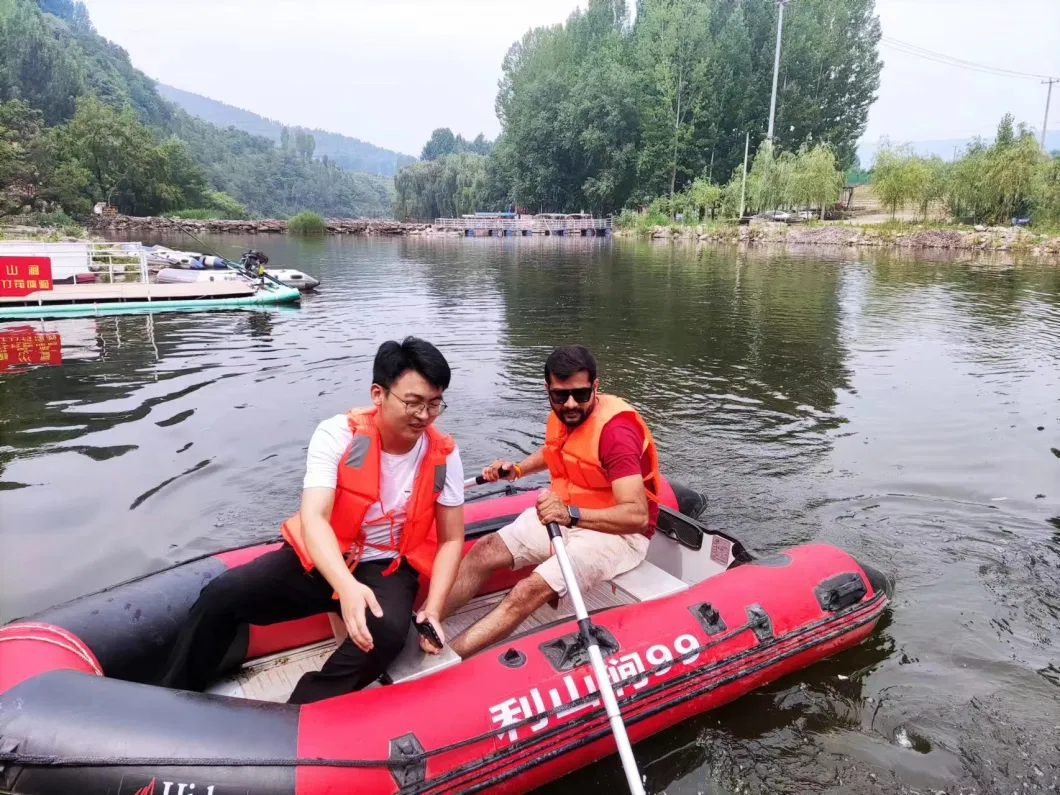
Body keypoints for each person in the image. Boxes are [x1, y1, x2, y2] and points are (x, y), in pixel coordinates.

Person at [159, 337, 465, 703]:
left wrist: (432, 609)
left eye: (435, 404)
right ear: (378, 394)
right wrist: (346, 587)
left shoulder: (444, 454)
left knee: (385, 634)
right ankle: (175, 696)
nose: (424, 415)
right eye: (413, 403)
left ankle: (300, 709)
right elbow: (315, 518)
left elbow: (450, 538)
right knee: (223, 595)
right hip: (325, 555)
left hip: (387, 565)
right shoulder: (338, 435)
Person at [443, 345, 660, 659]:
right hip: (566, 516)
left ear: (595, 387)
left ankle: (443, 660)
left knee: (527, 590)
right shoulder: (564, 417)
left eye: (581, 394)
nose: (570, 404)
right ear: (548, 390)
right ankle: (425, 624)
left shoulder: (616, 433)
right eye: (560, 396)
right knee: (484, 549)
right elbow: (555, 452)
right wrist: (517, 469)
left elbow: (637, 516)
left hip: (618, 534)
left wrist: (570, 514)